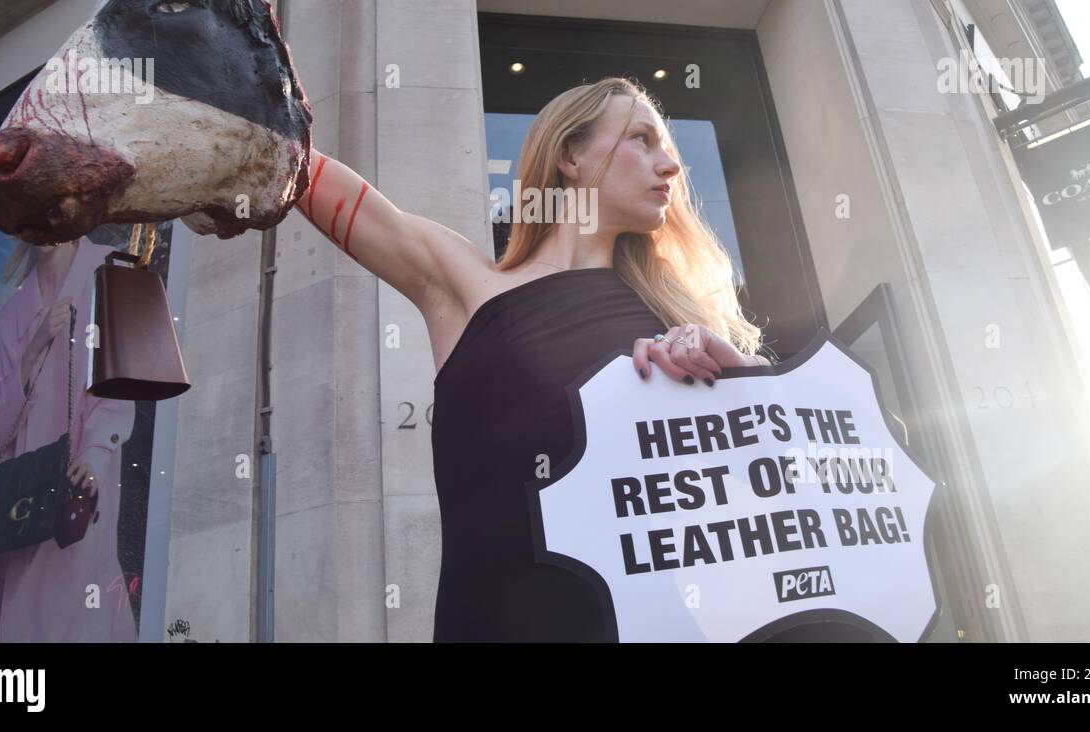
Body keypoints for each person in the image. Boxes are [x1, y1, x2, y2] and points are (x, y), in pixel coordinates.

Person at [294, 76, 773, 640]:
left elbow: (780, 486)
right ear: (569, 154)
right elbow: (293, 167)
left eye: (667, 148)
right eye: (642, 139)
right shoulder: (470, 287)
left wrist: (745, 376)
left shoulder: (678, 322)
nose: (670, 165)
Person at [0, 236, 138, 642]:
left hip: (73, 501)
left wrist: (93, 456)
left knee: (71, 616)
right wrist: (29, 357)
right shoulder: (11, 317)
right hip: (15, 515)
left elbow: (117, 391)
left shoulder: (108, 273)